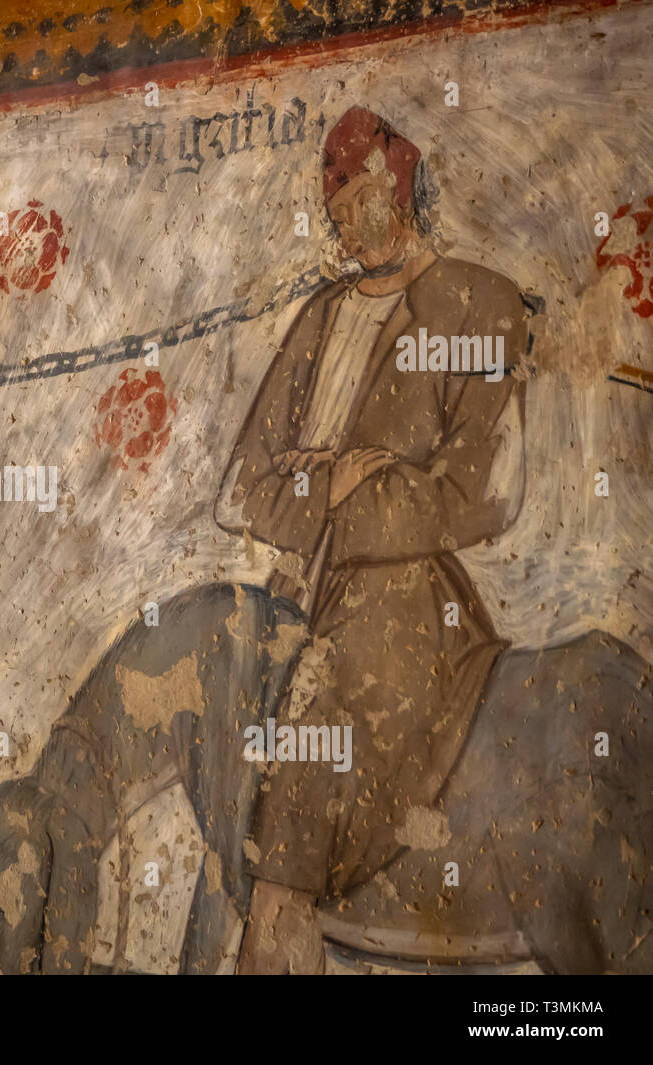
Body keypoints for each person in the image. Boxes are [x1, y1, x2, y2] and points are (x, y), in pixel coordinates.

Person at [216, 106, 529, 973]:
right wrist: (333, 477)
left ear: (401, 186)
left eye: (356, 200)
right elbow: (246, 488)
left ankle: (279, 922)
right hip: (300, 594)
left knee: (297, 794)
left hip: (398, 607)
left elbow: (483, 494)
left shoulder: (477, 302)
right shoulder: (321, 316)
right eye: (334, 208)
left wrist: (360, 491)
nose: (342, 224)